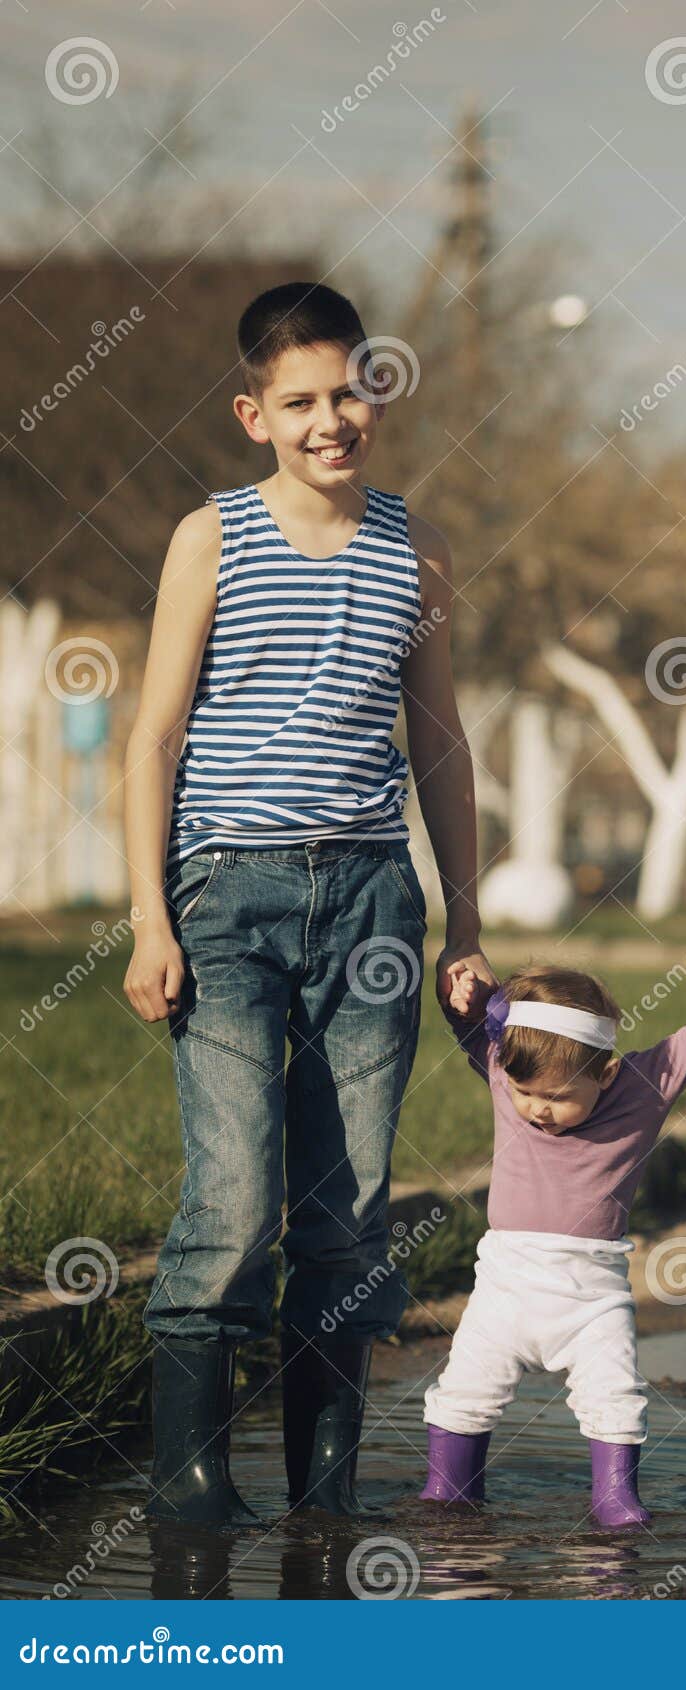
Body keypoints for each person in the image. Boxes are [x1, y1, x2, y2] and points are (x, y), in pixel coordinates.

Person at [123, 281, 494, 1526]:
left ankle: (325, 1497)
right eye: (300, 401)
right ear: (254, 414)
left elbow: (439, 743)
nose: (330, 418)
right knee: (232, 1205)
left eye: (349, 390)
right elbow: (157, 734)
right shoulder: (211, 536)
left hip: (373, 908)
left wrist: (467, 923)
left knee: (346, 1215)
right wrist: (147, 917)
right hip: (227, 896)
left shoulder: (420, 545)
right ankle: (190, 1487)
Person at [420, 960, 686, 1528]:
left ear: (607, 1072)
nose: (538, 1108)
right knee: (464, 1394)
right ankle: (449, 1493)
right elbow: (467, 1021)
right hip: (503, 1286)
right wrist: (466, 993)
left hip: (592, 1297)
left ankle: (615, 1504)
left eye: (559, 1096)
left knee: (614, 1399)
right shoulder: (505, 1070)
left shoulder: (643, 1087)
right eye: (525, 1092)